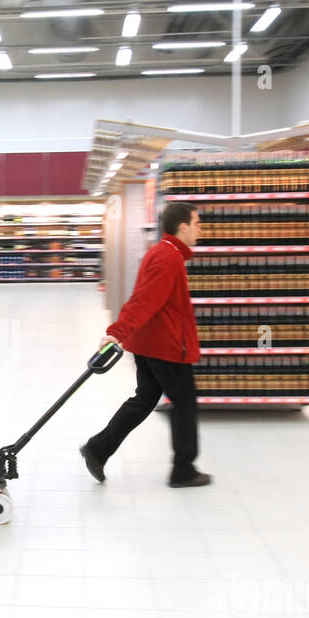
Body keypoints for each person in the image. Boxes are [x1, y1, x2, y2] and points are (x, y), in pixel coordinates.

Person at [80, 201, 210, 489]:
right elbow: (145, 300)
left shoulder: (164, 252)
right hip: (166, 347)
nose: (201, 230)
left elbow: (144, 299)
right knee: (185, 403)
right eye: (197, 224)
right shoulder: (168, 257)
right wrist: (117, 331)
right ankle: (183, 470)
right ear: (183, 226)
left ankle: (99, 448)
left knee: (144, 400)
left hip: (151, 344)